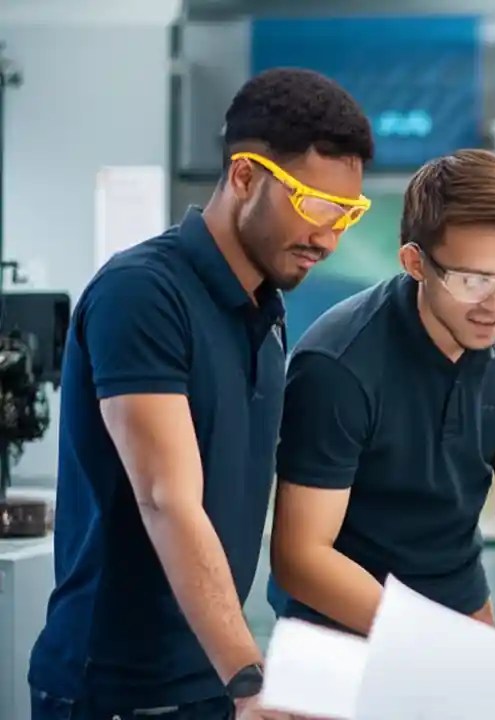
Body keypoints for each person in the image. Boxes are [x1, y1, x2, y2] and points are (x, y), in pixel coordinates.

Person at [28, 68, 374, 720]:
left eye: (346, 215)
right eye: (313, 208)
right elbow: (167, 498)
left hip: (208, 682)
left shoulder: (265, 310)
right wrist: (247, 677)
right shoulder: (142, 293)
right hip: (117, 693)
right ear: (244, 176)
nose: (328, 239)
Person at [268, 149, 495, 665]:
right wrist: (430, 639)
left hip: (458, 607)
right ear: (415, 263)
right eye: (474, 282)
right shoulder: (338, 364)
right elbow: (302, 555)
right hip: (337, 628)